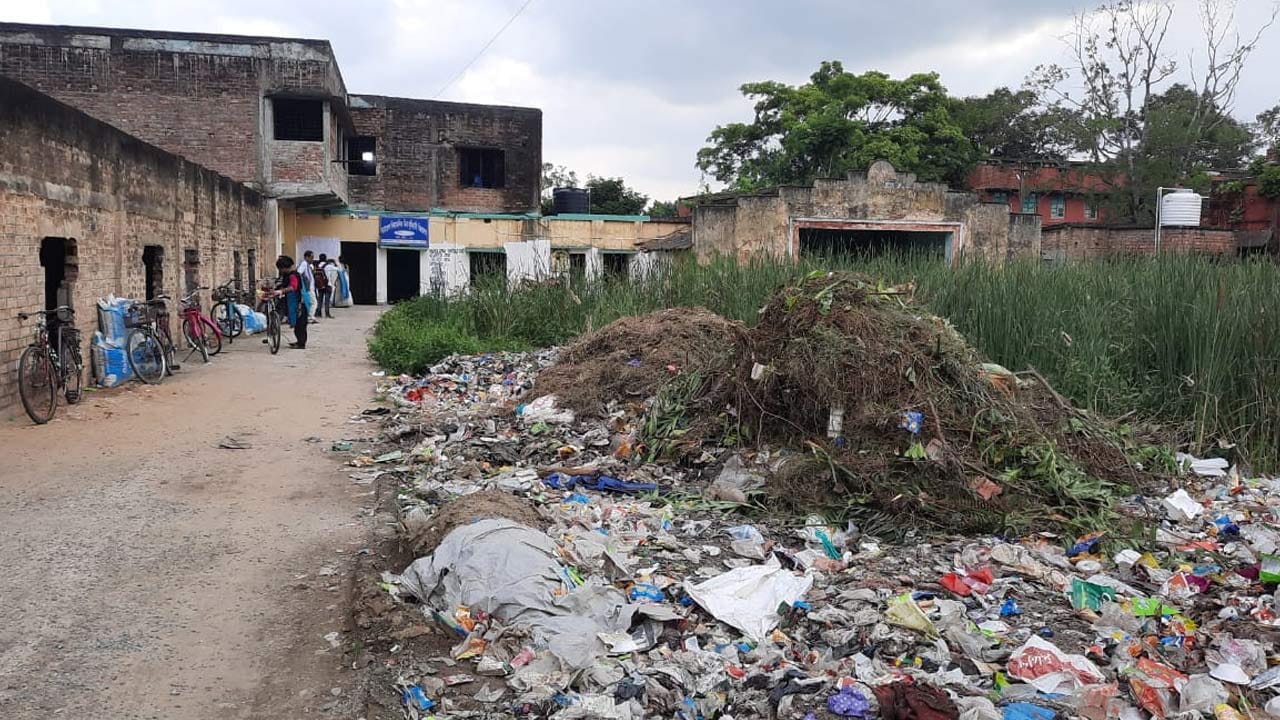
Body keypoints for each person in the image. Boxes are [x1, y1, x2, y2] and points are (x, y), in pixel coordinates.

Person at [274, 255, 307, 349]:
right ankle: (299, 341)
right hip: (294, 302)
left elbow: (293, 287)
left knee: (300, 325)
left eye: (280, 268)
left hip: (299, 302)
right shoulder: (287, 275)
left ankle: (301, 344)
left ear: (284, 268)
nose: (280, 271)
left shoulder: (293, 275)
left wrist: (281, 291)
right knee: (298, 325)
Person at [298, 250, 317, 323]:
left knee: (309, 302)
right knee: (313, 302)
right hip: (308, 287)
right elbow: (299, 273)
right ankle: (310, 317)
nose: (312, 259)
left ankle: (309, 316)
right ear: (306, 257)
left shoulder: (308, 265)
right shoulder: (304, 264)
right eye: (311, 257)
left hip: (310, 287)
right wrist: (305, 281)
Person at [314, 253, 333, 319]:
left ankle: (319, 313)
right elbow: (337, 270)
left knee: (320, 299)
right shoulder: (329, 266)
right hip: (328, 284)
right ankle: (327, 313)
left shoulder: (317, 265)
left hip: (320, 284)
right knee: (327, 300)